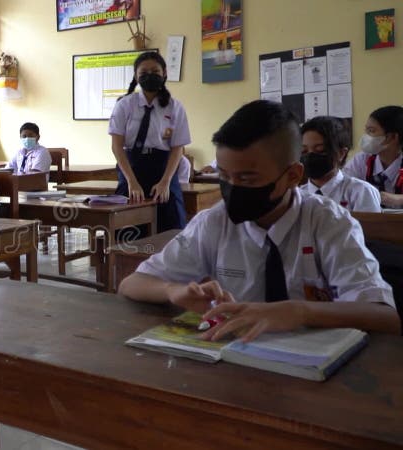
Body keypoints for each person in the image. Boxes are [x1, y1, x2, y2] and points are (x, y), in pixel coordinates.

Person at [118, 100, 400, 341]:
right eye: (225, 177)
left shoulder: (328, 223)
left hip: (317, 374)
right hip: (237, 367)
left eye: (247, 178)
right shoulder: (215, 222)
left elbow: (385, 316)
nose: (233, 188)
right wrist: (173, 290)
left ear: (292, 176)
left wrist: (299, 311)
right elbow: (132, 283)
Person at [109, 51, 190, 233]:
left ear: (165, 73)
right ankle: (129, 260)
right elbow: (116, 146)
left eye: (155, 71)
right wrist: (131, 181)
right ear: (136, 77)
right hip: (131, 167)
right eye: (143, 73)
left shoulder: (174, 107)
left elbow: (178, 148)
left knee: (171, 224)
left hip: (163, 168)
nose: (150, 76)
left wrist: (165, 182)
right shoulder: (124, 104)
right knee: (127, 227)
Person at [300, 116, 381, 212]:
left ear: (341, 153)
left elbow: (369, 227)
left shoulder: (361, 192)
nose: (310, 156)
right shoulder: (295, 195)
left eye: (320, 150)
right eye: (304, 151)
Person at [343, 106, 403, 209]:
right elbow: (343, 188)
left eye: (371, 131)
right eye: (366, 130)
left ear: (392, 137)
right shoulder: (361, 160)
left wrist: (399, 199)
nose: (366, 137)